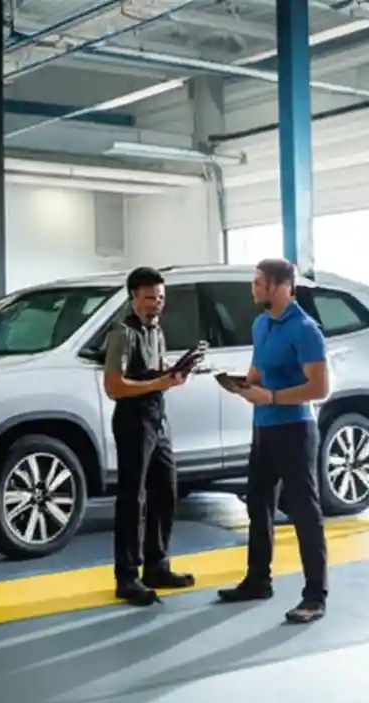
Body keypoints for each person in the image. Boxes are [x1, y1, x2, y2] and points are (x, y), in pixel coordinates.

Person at [217, 257, 331, 624]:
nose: (253, 288)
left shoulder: (306, 330)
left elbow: (320, 388)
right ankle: (257, 580)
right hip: (263, 427)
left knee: (304, 512)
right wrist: (244, 383)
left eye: (258, 282)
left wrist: (274, 398)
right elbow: (260, 367)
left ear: (281, 285)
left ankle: (315, 597)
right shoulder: (261, 324)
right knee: (258, 504)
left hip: (295, 429)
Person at [102, 266, 199, 606]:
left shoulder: (156, 331)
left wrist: (177, 370)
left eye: (160, 298)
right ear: (132, 297)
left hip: (158, 419)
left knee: (166, 490)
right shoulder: (122, 333)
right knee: (132, 498)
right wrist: (161, 382)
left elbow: (155, 367)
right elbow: (113, 386)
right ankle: (126, 576)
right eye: (148, 298)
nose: (155, 304)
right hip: (133, 419)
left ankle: (157, 565)